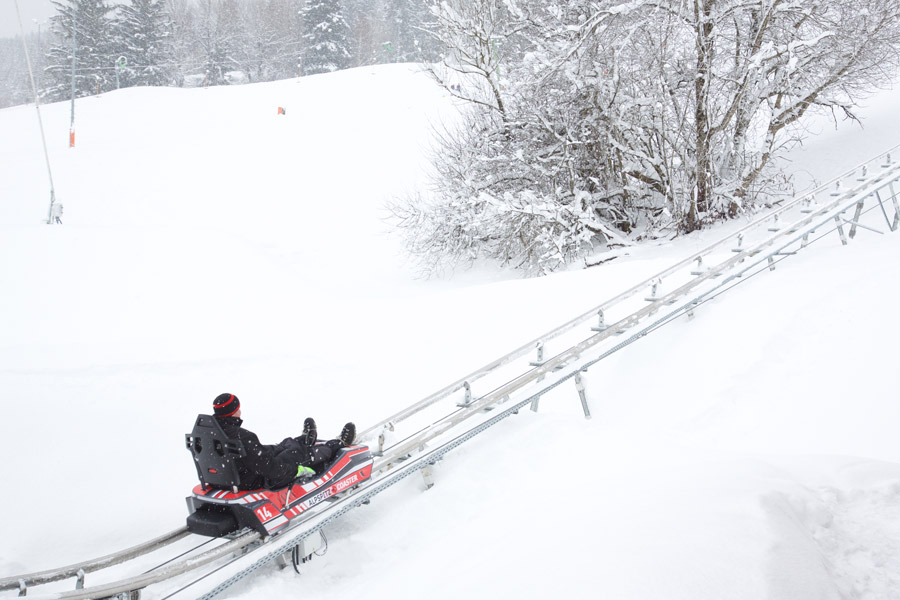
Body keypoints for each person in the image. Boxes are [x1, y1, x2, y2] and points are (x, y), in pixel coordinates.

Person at [211, 393, 356, 490]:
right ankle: (336, 445)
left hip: (235, 474)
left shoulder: (212, 432)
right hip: (255, 479)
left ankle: (303, 440)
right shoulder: (243, 437)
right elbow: (271, 469)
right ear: (235, 411)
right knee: (296, 454)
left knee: (278, 447)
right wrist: (293, 469)